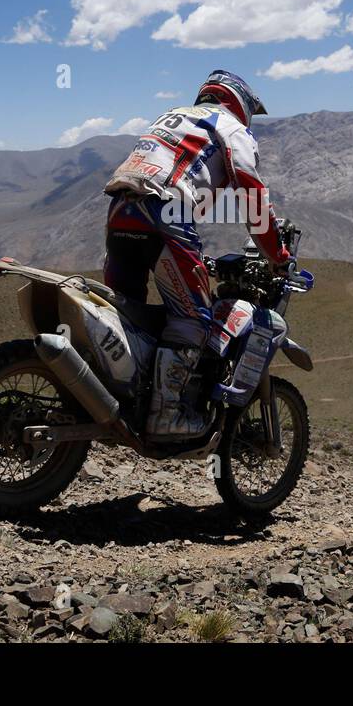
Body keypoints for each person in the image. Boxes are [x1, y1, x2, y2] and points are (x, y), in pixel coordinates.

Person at [102, 69, 291, 439]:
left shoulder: (174, 117)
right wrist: (277, 256)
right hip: (165, 213)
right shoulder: (231, 126)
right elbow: (248, 187)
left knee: (129, 314)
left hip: (120, 210)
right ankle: (167, 415)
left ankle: (120, 402)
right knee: (193, 320)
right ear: (240, 103)